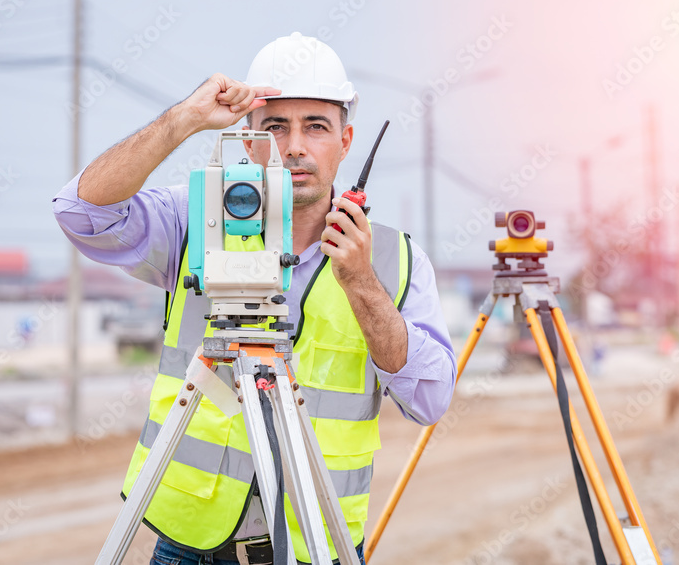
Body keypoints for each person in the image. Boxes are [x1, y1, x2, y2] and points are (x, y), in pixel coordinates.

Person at [52, 32, 457, 565]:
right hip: (192, 539)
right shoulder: (199, 218)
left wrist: (360, 283)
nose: (294, 146)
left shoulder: (392, 259)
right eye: (275, 127)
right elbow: (82, 215)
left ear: (346, 140)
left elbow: (428, 400)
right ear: (249, 140)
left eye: (316, 126)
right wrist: (183, 120)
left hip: (318, 538)